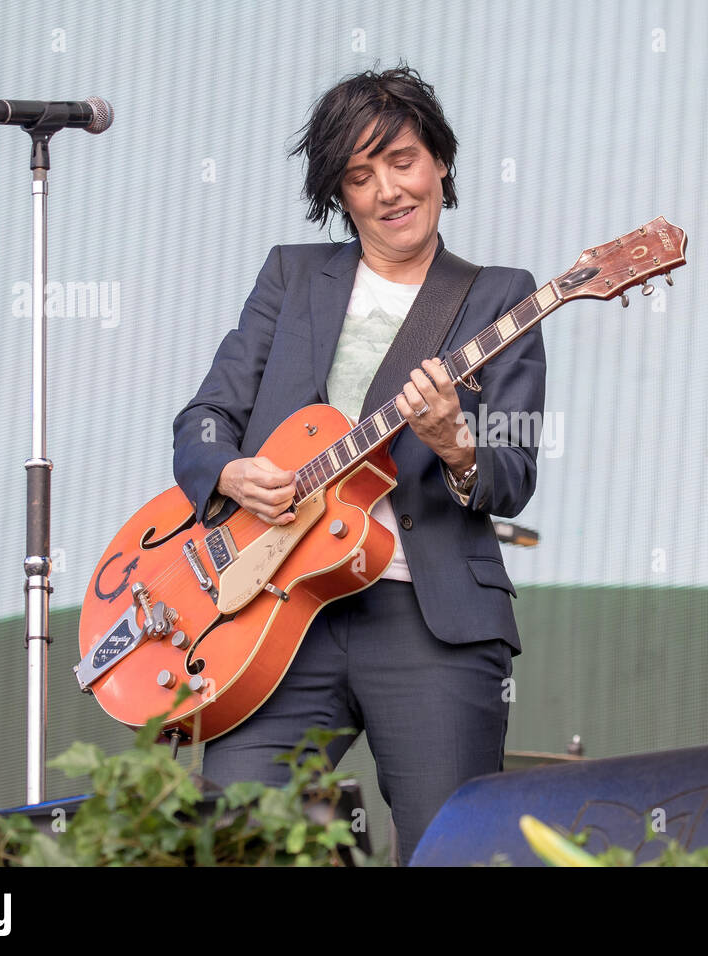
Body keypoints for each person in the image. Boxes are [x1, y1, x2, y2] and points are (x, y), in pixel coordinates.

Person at [171, 65, 546, 865]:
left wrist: (455, 442)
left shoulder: (501, 300)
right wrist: (230, 473)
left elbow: (511, 472)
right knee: (232, 845)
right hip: (273, 624)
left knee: (453, 853)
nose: (388, 190)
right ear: (341, 194)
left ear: (440, 160)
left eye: (402, 160)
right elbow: (205, 420)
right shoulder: (292, 275)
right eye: (360, 175)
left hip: (430, 620)